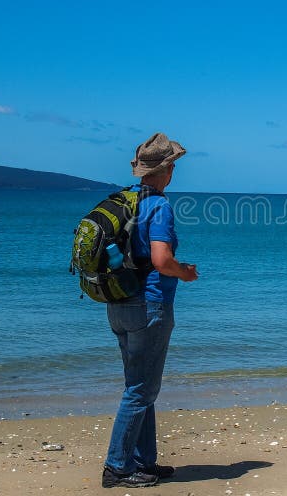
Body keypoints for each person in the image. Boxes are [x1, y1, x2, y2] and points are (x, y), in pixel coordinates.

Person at [102, 132, 199, 489]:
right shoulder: (159, 206)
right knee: (141, 389)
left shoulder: (126, 201)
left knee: (140, 386)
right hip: (149, 305)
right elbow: (160, 260)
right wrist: (184, 272)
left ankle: (144, 461)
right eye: (173, 165)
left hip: (119, 303)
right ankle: (117, 467)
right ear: (167, 170)